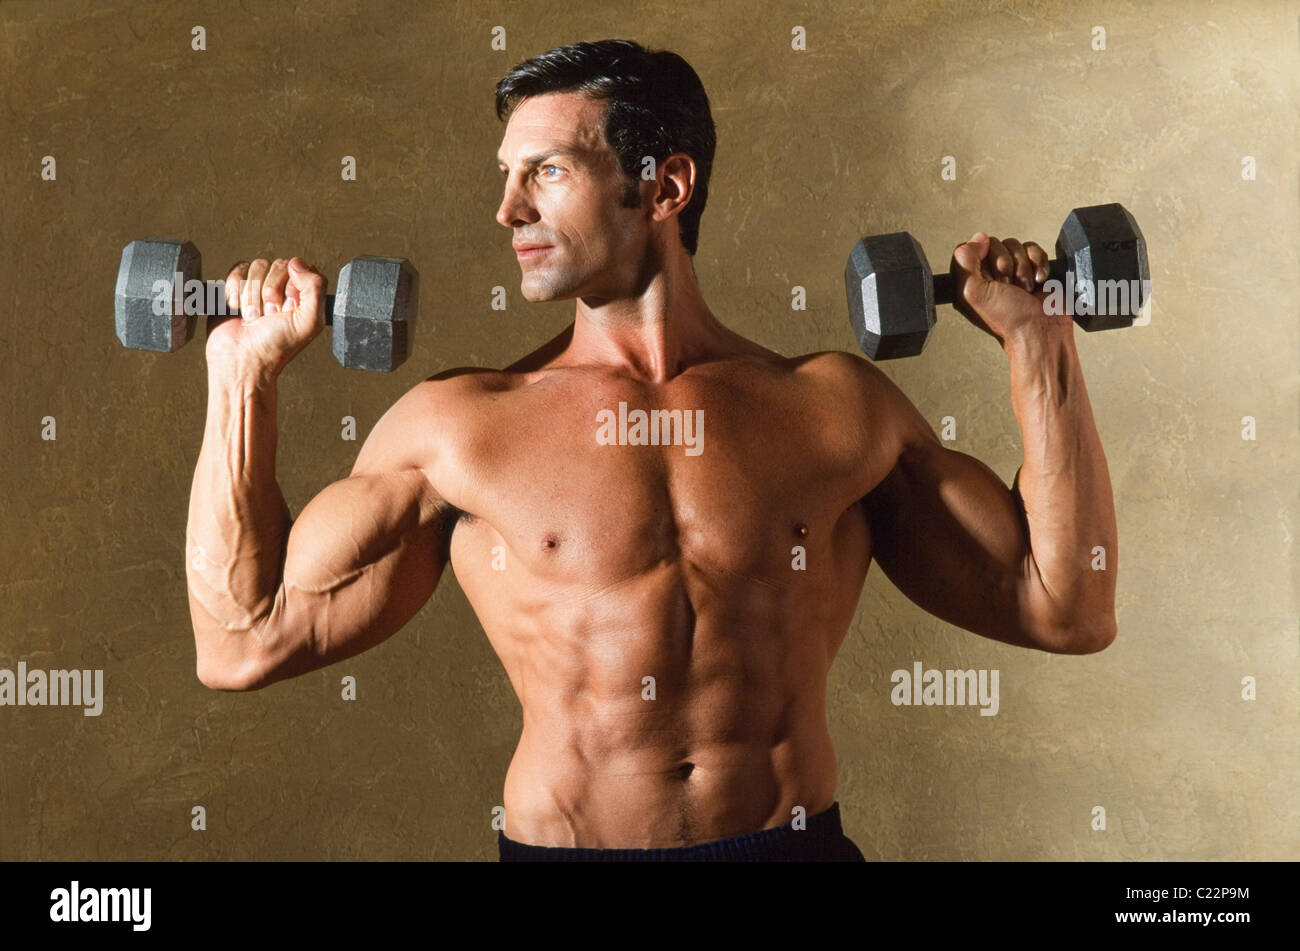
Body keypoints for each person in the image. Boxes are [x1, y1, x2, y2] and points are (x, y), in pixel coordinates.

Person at [185, 39, 1117, 862]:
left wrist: (1039, 345)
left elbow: (1065, 607)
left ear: (665, 187)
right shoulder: (459, 428)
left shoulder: (834, 409)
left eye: (543, 173)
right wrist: (241, 376)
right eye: (508, 176)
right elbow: (241, 642)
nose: (505, 211)